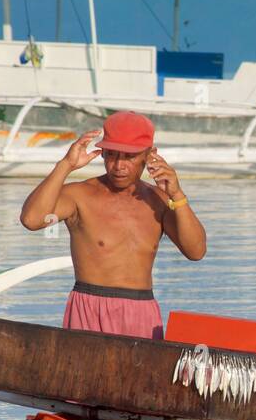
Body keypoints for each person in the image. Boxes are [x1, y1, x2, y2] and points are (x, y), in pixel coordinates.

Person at [19, 111, 206, 339]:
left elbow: (196, 252)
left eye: (129, 156)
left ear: (149, 155)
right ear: (102, 153)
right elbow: (32, 219)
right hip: (88, 308)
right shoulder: (80, 195)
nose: (118, 165)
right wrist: (66, 165)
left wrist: (177, 194)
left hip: (141, 311)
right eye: (111, 155)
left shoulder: (161, 201)